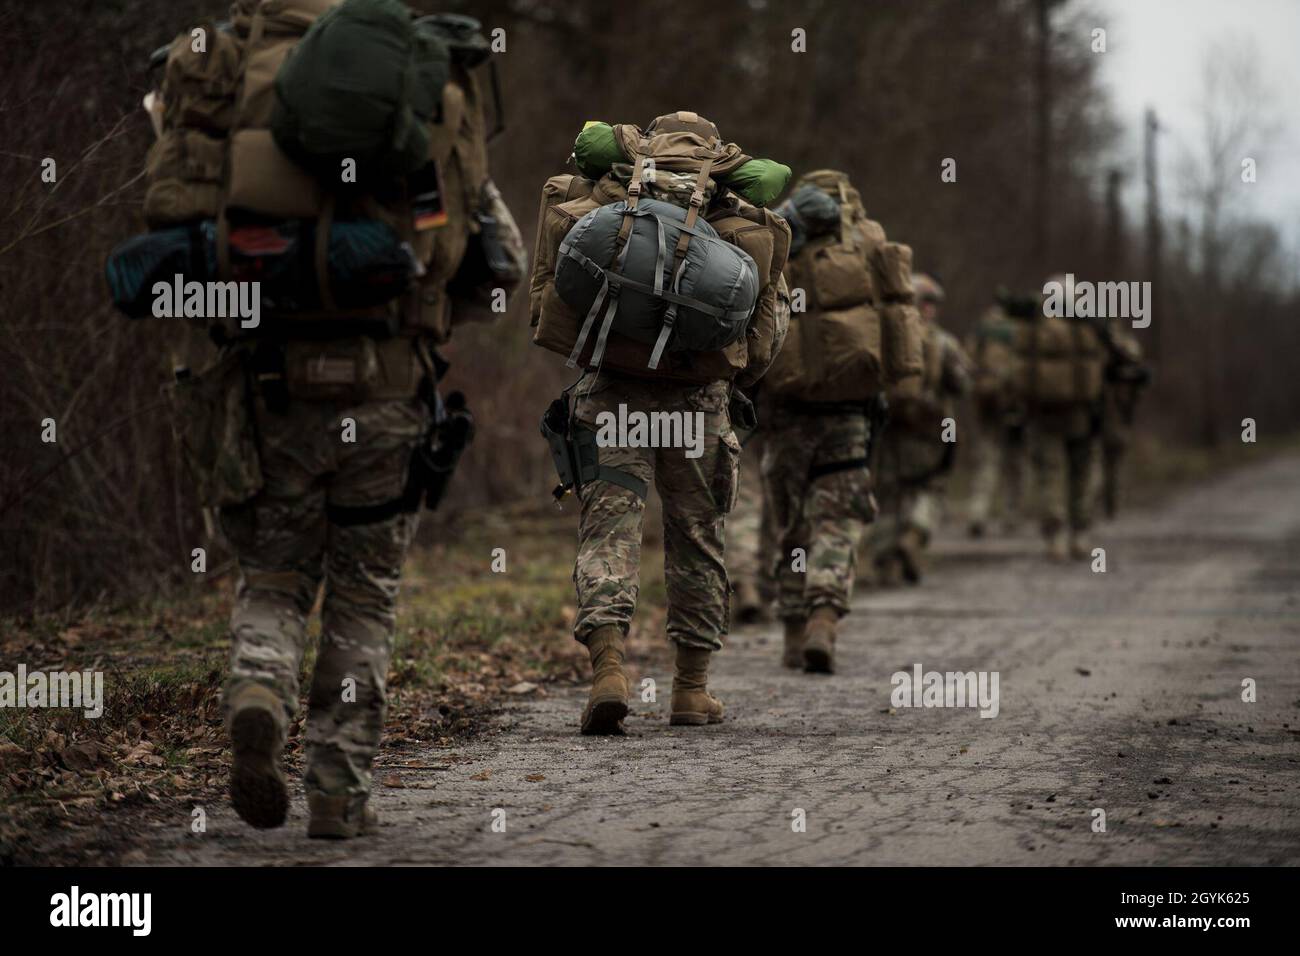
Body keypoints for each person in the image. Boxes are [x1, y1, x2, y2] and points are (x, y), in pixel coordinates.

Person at [530, 111, 791, 732]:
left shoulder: (604, 198)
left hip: (612, 398)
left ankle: (609, 671)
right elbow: (762, 346)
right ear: (713, 154)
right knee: (697, 539)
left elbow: (546, 299)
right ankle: (691, 691)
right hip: (697, 406)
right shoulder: (741, 218)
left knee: (608, 535)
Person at [869, 273, 971, 584]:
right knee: (930, 487)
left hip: (891, 426)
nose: (932, 309)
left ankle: (886, 561)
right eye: (929, 303)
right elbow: (962, 384)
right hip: (931, 427)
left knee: (888, 492)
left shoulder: (884, 337)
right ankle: (913, 536)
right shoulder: (942, 341)